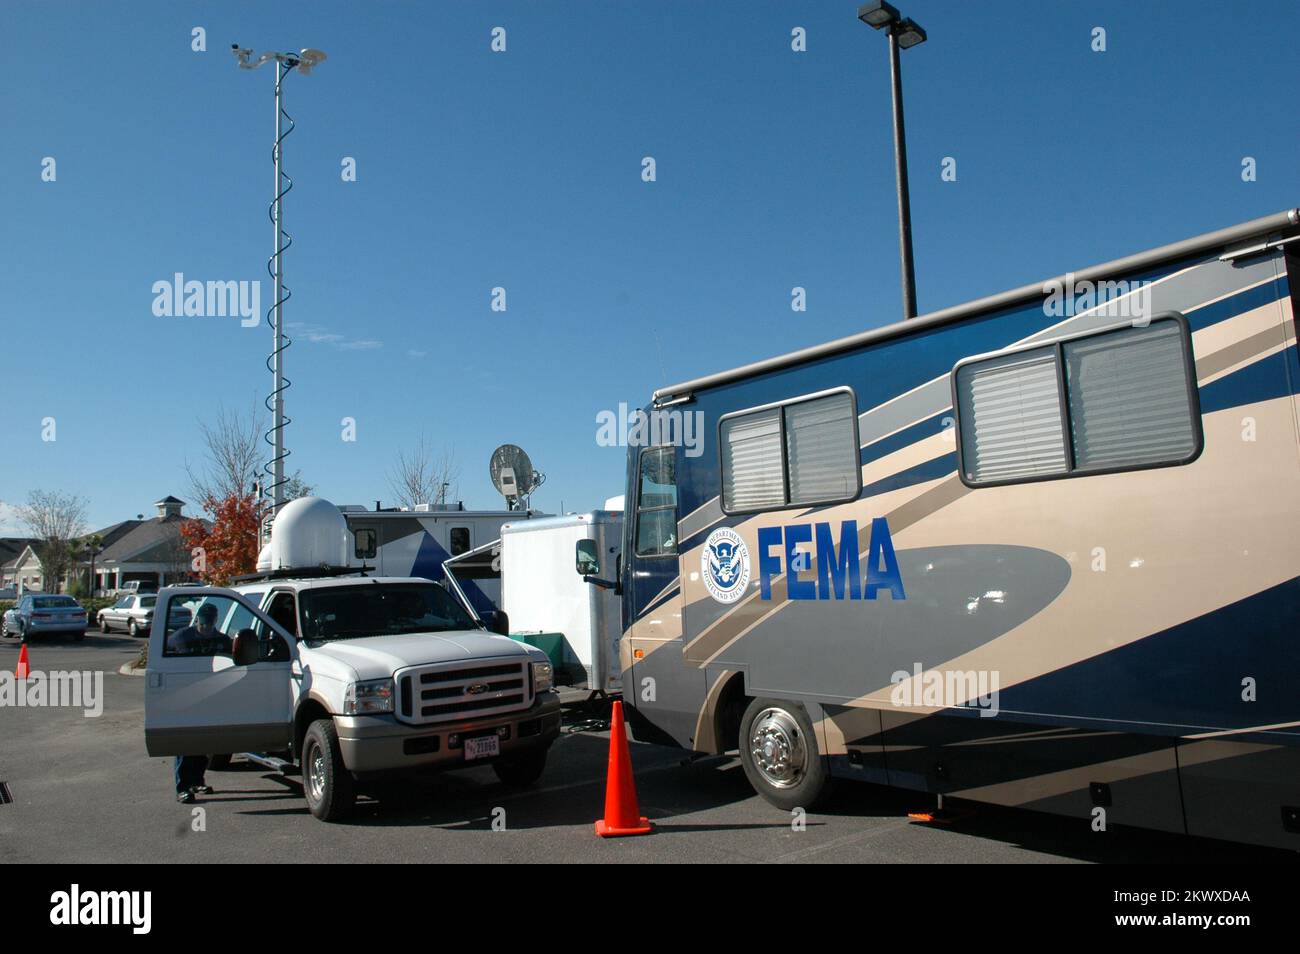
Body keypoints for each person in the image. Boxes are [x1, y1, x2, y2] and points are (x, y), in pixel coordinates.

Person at [166, 602, 231, 803]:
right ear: (198, 620)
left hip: (212, 694)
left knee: (204, 743)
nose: (206, 627)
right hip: (187, 696)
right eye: (204, 622)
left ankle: (197, 780)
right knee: (186, 743)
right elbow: (166, 657)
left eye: (210, 622)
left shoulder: (222, 640)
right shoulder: (182, 637)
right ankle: (183, 787)